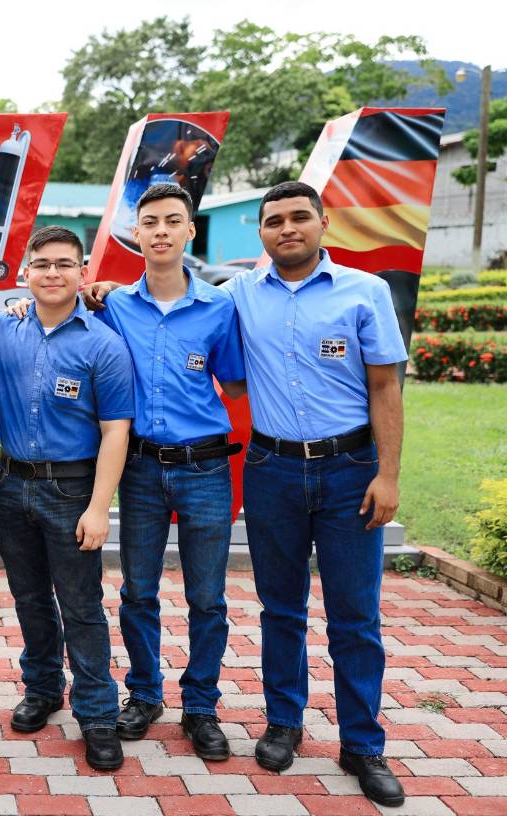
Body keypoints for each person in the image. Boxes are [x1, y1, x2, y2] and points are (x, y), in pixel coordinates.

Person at [226, 181, 408, 807]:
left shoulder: (367, 292)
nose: (287, 228)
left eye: (299, 217)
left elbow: (386, 387)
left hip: (349, 471)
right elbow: (180, 303)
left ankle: (363, 744)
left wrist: (387, 474)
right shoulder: (240, 296)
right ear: (261, 232)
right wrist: (108, 291)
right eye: (273, 220)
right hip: (272, 470)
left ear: (323, 222)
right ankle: (285, 723)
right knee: (281, 609)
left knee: (356, 617)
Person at [93, 184, 244, 759]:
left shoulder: (218, 306)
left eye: (172, 221)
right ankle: (145, 692)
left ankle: (201, 705)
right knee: (138, 591)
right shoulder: (114, 304)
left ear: (190, 232)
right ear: (136, 233)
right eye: (149, 221)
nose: (159, 230)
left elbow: (233, 384)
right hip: (139, 468)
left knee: (207, 597)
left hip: (205, 467)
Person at [0, 226, 134, 770]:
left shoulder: (103, 344)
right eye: (42, 264)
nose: (52, 273)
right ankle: (43, 688)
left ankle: (95, 713)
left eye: (64, 264)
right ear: (25, 272)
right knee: (29, 597)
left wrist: (98, 507)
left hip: (73, 489)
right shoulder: (0, 329)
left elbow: (116, 430)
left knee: (82, 606)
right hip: (12, 483)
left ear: (82, 271)